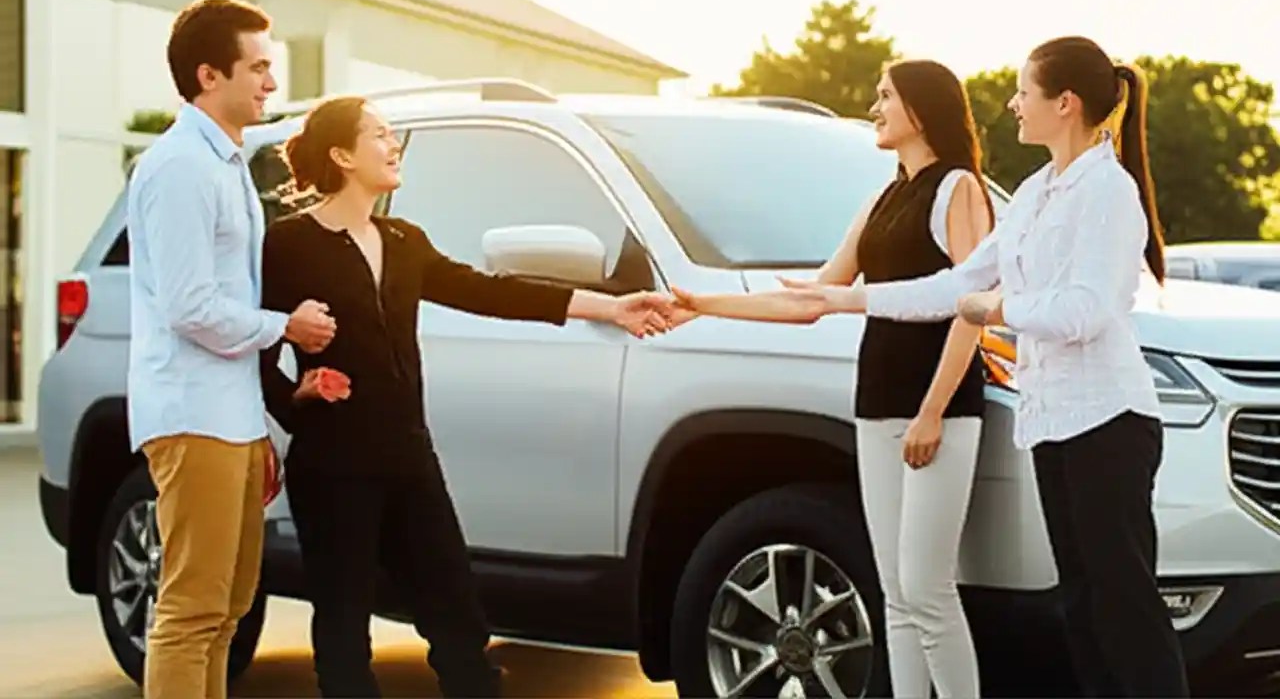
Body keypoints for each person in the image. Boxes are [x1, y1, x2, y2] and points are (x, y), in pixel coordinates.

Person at [772, 36, 1190, 697]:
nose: (1012, 104)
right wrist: (846, 297)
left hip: (1108, 423)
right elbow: (954, 284)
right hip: (1051, 426)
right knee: (1080, 608)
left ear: (1066, 103)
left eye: (1023, 92)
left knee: (1125, 608)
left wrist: (993, 308)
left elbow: (1085, 311)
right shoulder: (1033, 193)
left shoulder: (1107, 192)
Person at [258, 95, 671, 698]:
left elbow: (489, 292)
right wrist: (296, 393)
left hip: (409, 459)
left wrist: (610, 305)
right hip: (332, 467)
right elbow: (257, 345)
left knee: (456, 617)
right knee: (344, 629)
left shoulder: (403, 238)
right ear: (342, 154)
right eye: (378, 134)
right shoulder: (289, 243)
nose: (392, 144)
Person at [670, 59, 994, 697]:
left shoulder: (958, 188)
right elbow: (812, 299)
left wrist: (932, 410)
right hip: (876, 407)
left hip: (942, 413)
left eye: (884, 97)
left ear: (920, 111)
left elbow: (973, 303)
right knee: (896, 594)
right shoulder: (880, 199)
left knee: (929, 592)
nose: (875, 108)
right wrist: (700, 305)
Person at [126, 0, 337, 699]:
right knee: (191, 614)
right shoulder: (180, 167)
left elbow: (225, 300)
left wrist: (258, 429)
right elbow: (191, 307)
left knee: (226, 613)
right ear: (209, 75)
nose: (271, 83)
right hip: (192, 417)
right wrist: (286, 326)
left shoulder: (226, 164)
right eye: (258, 68)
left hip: (231, 418)